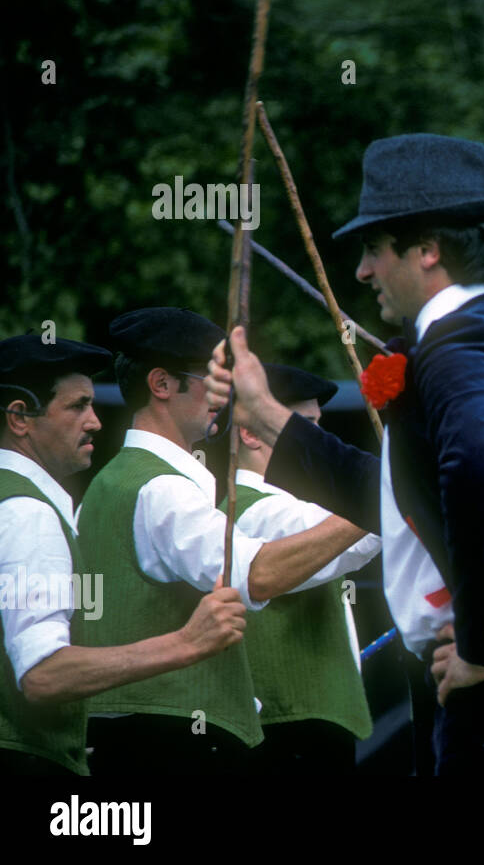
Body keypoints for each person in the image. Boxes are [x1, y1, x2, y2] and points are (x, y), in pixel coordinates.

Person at [206, 133, 484, 776]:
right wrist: (267, 414)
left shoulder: (465, 346)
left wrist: (483, 643)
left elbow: (480, 480)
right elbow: (403, 500)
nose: (362, 270)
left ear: (429, 249)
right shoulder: (481, 337)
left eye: (377, 248)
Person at [77, 307, 369, 773]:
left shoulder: (109, 485)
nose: (228, 396)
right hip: (173, 744)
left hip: (129, 733)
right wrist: (380, 499)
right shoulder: (163, 489)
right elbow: (255, 573)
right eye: (213, 379)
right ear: (162, 384)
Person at [0, 334, 246, 775]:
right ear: (19, 418)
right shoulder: (27, 514)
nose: (95, 422)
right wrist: (187, 642)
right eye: (77, 407)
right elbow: (42, 674)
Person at [227, 363, 381, 773]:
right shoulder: (254, 509)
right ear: (250, 431)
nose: (319, 441)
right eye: (304, 427)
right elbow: (372, 528)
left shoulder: (272, 503)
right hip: (293, 726)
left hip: (298, 723)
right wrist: (406, 486)